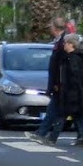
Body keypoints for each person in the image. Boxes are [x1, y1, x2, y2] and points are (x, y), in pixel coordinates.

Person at [44, 33, 83, 147]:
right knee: (80, 116)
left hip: (72, 93)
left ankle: (52, 138)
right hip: (76, 93)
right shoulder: (76, 57)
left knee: (61, 115)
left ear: (71, 44)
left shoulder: (73, 59)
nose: (64, 45)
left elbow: (74, 77)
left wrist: (67, 90)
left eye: (66, 43)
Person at [29, 17, 68, 145]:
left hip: (61, 84)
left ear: (55, 28)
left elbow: (61, 66)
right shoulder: (59, 41)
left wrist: (57, 83)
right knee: (54, 110)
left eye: (51, 27)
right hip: (58, 83)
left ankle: (46, 135)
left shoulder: (64, 42)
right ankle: (43, 133)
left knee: (60, 112)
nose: (50, 29)